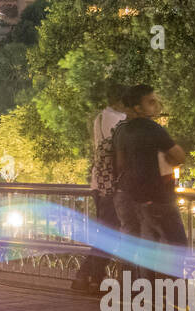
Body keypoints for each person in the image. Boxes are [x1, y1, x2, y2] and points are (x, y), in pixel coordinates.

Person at [113, 85, 188, 282]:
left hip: (132, 196)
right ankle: (174, 294)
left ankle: (141, 291)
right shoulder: (153, 129)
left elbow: (120, 164)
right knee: (177, 245)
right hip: (158, 196)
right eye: (151, 101)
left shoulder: (122, 131)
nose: (156, 105)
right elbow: (178, 155)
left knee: (145, 247)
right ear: (138, 107)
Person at [73, 84, 127, 293]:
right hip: (111, 186)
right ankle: (93, 277)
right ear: (121, 101)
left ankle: (85, 277)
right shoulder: (117, 120)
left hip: (101, 183)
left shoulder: (102, 117)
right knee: (109, 234)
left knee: (107, 233)